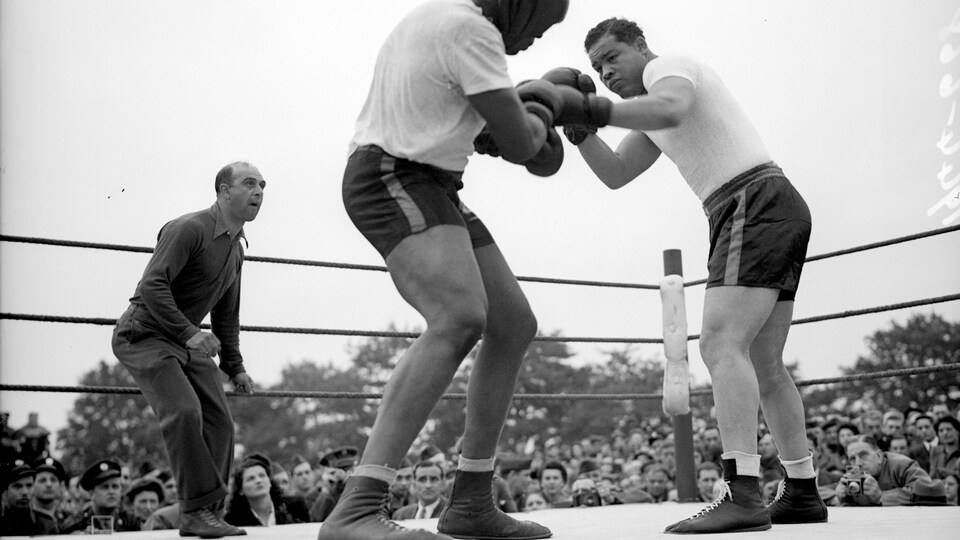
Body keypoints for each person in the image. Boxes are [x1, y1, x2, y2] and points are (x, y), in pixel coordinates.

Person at [557, 16, 826, 533]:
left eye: (612, 57)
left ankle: (742, 493)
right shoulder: (650, 114)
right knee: (764, 362)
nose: (605, 72)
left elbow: (673, 105)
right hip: (759, 205)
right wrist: (579, 129)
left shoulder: (671, 70)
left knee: (721, 345)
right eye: (596, 67)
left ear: (641, 46)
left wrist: (591, 107)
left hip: (751, 198)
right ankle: (802, 490)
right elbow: (616, 173)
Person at [319, 1, 571, 539]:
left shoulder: (444, 19)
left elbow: (490, 136)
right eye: (541, 24)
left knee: (512, 323)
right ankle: (356, 509)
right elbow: (526, 146)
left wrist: (523, 112)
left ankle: (472, 500)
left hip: (432, 181)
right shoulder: (471, 30)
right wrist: (551, 101)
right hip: (393, 174)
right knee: (458, 316)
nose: (534, 40)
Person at [111, 161, 265, 538]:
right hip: (144, 333)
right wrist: (188, 333)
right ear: (224, 191)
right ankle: (194, 511)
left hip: (183, 340)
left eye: (262, 185)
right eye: (249, 183)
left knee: (220, 421)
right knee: (183, 411)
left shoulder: (237, 248)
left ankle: (209, 511)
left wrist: (235, 365)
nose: (259, 192)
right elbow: (152, 285)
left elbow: (226, 314)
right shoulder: (188, 228)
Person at [834, 435, 932, 506]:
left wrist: (881, 497)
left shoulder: (902, 464)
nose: (857, 463)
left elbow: (927, 489)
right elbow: (826, 488)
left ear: (879, 456)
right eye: (852, 458)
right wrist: (838, 496)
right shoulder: (853, 473)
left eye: (863, 455)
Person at [224, 453, 307, 527]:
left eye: (262, 475)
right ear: (240, 490)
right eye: (251, 478)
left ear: (270, 482)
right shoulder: (232, 519)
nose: (258, 481)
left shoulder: (295, 506)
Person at [60, 459, 140, 533]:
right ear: (91, 493)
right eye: (105, 487)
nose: (111, 492)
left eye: (115, 486)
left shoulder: (130, 522)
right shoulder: (77, 525)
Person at [31, 456, 69, 534]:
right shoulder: (27, 520)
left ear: (60, 485)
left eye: (53, 480)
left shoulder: (68, 518)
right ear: (32, 485)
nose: (49, 484)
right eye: (42, 480)